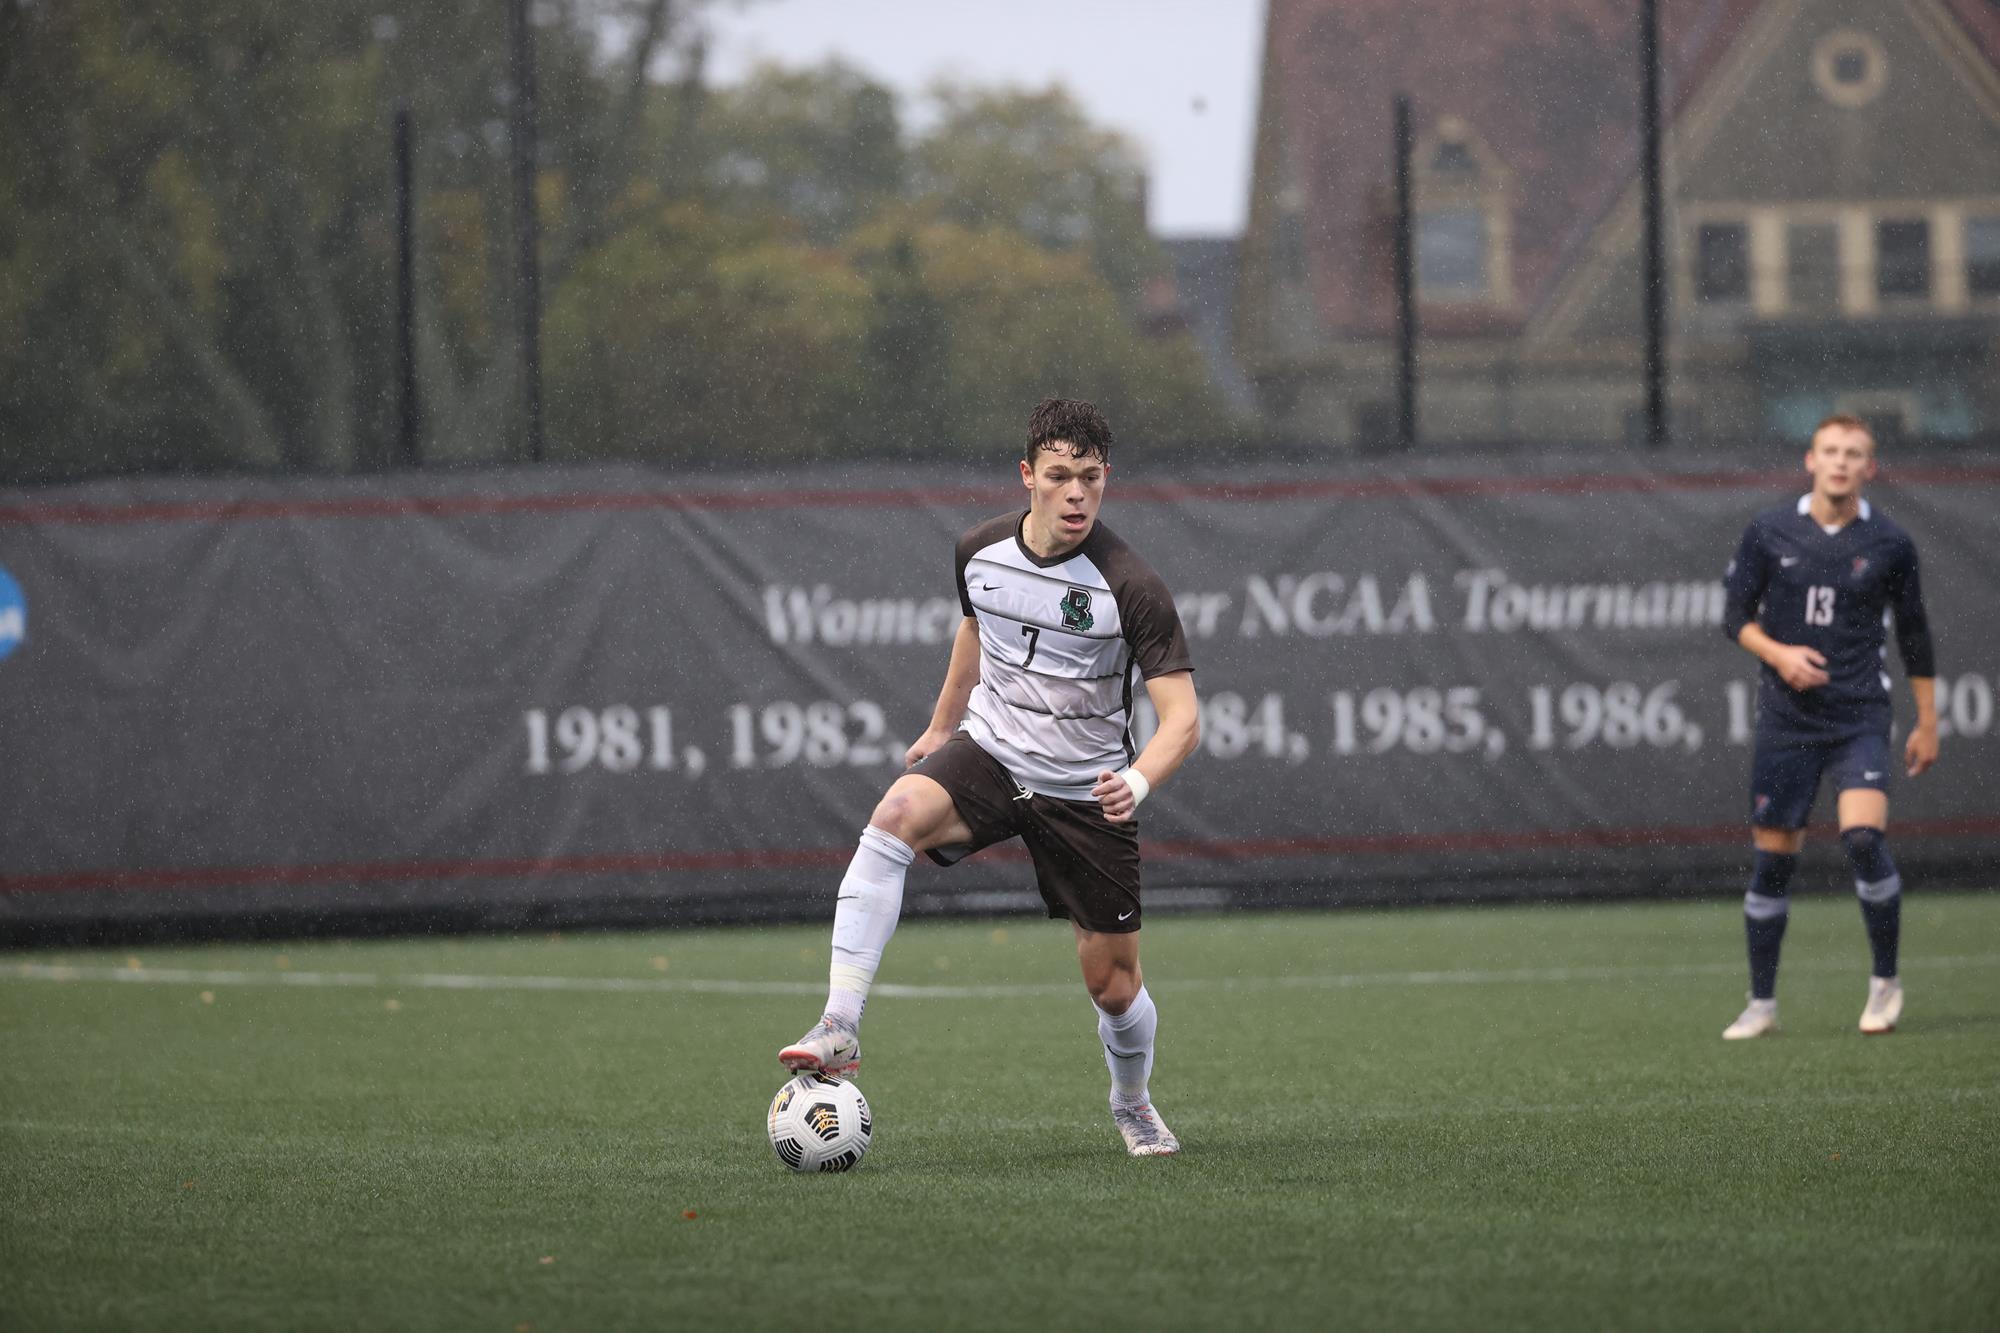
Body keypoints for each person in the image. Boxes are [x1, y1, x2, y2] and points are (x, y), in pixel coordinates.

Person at [777, 398, 1201, 1156]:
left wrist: (1134, 784)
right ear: (1028, 475)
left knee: (1114, 986)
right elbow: (975, 629)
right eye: (1061, 476)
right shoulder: (978, 551)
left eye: (1091, 479)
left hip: (1084, 790)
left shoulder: (1131, 586)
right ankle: (840, 1020)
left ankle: (1132, 1100)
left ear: (1108, 479)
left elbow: (1184, 720)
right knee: (895, 814)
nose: (1077, 494)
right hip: (995, 754)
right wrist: (943, 727)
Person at [1719, 413, 1937, 1040]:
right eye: (1831, 451)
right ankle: (1761, 1003)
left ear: (1871, 468)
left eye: (1855, 454)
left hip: (1858, 716)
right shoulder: (1769, 531)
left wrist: (1928, 721)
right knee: (1772, 865)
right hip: (1788, 723)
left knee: (1863, 839)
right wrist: (1781, 655)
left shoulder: (1891, 543)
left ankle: (1885, 983)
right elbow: (1734, 617)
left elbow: (1916, 634)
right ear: (1809, 461)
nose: (1841, 462)